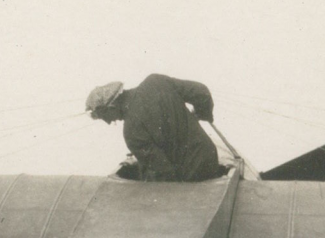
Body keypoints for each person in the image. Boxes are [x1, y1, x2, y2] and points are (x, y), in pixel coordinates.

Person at [85, 74, 227, 182]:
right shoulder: (156, 81)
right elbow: (202, 92)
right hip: (209, 158)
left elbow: (163, 173)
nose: (109, 122)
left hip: (190, 178)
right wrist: (202, 115)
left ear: (111, 107)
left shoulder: (131, 133)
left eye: (104, 117)